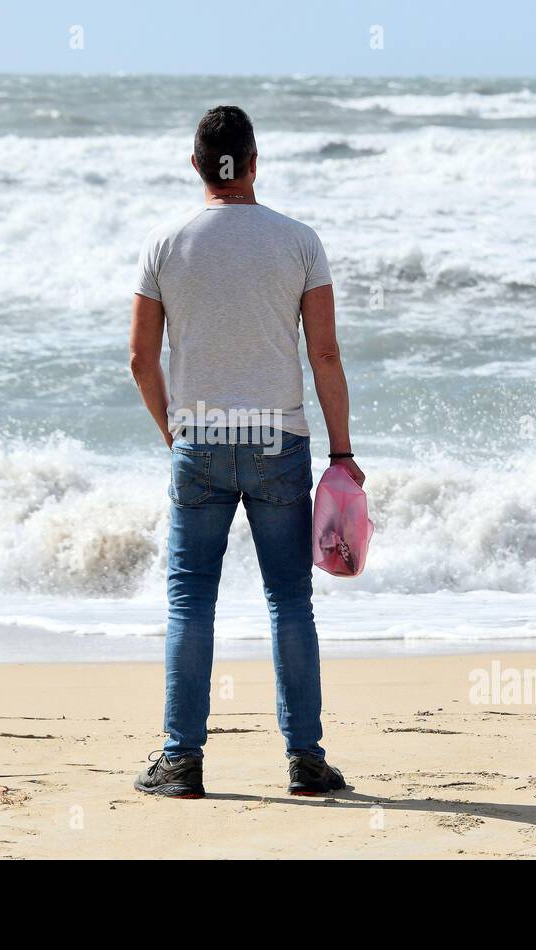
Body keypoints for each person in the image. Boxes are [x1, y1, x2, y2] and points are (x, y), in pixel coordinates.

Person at [128, 105, 363, 798]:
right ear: (255, 163)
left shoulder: (165, 244)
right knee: (290, 599)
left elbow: (141, 359)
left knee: (190, 599)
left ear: (196, 164)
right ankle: (306, 761)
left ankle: (182, 760)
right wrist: (342, 452)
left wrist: (175, 433)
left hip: (199, 438)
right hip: (278, 439)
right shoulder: (298, 242)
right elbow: (324, 353)